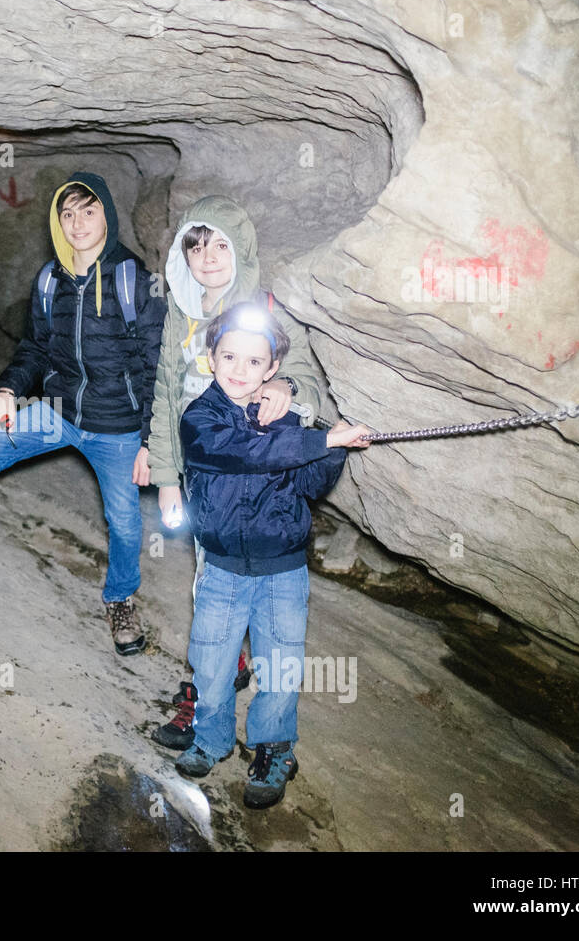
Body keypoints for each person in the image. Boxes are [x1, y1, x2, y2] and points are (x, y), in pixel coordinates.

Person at [0, 172, 166, 655]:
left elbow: (158, 366)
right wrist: (8, 389)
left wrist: (153, 442)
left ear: (106, 214)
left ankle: (120, 600)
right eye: (67, 214)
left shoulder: (135, 281)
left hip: (118, 428)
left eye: (88, 211)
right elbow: (34, 348)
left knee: (126, 523)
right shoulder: (51, 280)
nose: (77, 223)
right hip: (59, 413)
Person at [136, 195, 332, 750]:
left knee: (252, 600)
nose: (209, 257)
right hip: (206, 483)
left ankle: (235, 708)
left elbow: (309, 386)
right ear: (183, 255)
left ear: (240, 249)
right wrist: (168, 476)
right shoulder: (179, 312)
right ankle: (211, 696)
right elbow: (166, 397)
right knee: (213, 591)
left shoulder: (265, 308)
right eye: (196, 247)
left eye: (220, 244)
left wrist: (285, 387)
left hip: (262, 484)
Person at [170, 303, 370, 809]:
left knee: (280, 666)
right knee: (212, 663)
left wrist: (334, 445)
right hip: (221, 568)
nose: (239, 369)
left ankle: (271, 750)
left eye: (254, 362)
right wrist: (319, 438)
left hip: (283, 569)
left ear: (272, 369)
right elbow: (242, 453)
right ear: (211, 359)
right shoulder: (199, 419)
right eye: (229, 356)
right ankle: (210, 739)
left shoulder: (286, 422)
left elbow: (309, 482)